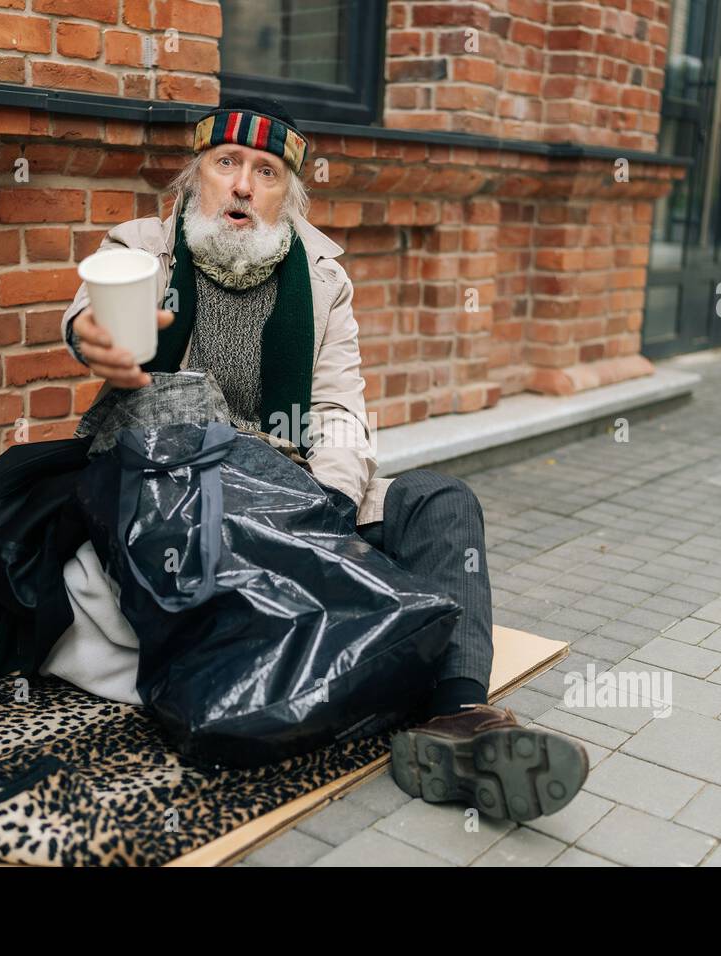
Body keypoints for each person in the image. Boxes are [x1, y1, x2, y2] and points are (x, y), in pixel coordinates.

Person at [60, 94, 588, 821]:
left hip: (297, 487)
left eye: (267, 171)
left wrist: (329, 508)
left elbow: (341, 409)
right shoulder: (140, 249)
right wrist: (98, 339)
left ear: (287, 196)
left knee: (442, 500)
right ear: (195, 180)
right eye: (226, 164)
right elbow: (89, 316)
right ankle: (380, 658)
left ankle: (461, 718)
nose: (243, 185)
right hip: (186, 483)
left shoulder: (323, 278)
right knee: (210, 465)